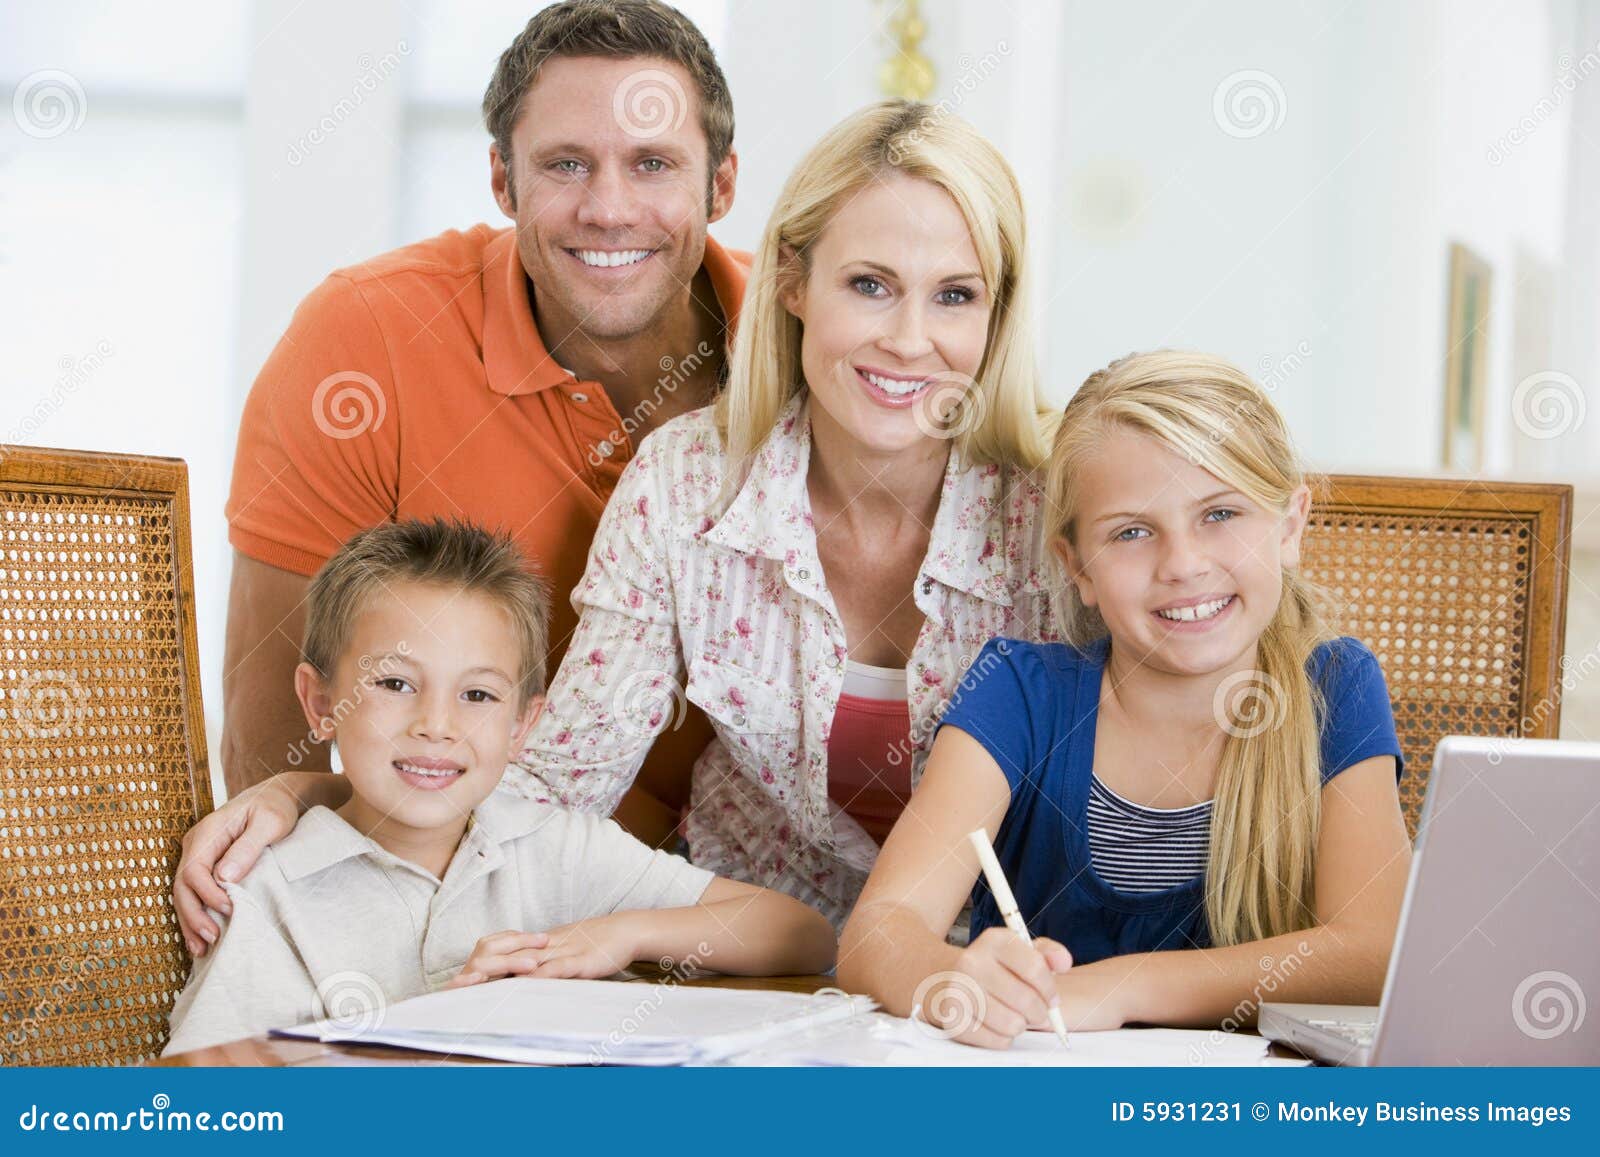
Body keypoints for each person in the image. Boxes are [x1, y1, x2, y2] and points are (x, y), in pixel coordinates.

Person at [179, 100, 1065, 932]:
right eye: (870, 285)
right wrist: (312, 795)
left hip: (1010, 972)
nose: (909, 339)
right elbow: (551, 793)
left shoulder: (1057, 510)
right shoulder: (686, 482)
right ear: (792, 283)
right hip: (739, 966)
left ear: (1001, 310)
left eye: (956, 295)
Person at [181, 0, 748, 955]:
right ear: (502, 178)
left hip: (741, 926)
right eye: (565, 164)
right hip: (452, 933)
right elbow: (277, 737)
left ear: (720, 184)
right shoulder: (365, 344)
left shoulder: (816, 355)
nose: (608, 207)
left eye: (652, 164)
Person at [836, 351, 1411, 1048]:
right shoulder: (1019, 694)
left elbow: (1374, 951)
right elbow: (876, 934)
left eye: (1220, 513)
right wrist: (947, 978)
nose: (1183, 564)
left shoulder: (1337, 689)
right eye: (1132, 532)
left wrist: (1122, 986)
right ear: (1077, 565)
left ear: (1289, 527)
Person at [162, 519, 833, 1056]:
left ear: (521, 726)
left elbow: (803, 935)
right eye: (394, 683)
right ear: (319, 699)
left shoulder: (554, 845)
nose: (436, 725)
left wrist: (619, 936)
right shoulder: (267, 890)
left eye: (477, 694)